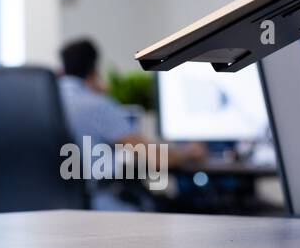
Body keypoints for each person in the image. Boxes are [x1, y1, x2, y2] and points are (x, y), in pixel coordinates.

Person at [58, 38, 205, 210]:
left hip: (55, 210)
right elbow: (156, 159)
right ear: (94, 69)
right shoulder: (95, 104)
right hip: (102, 207)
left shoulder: (47, 99)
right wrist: (189, 152)